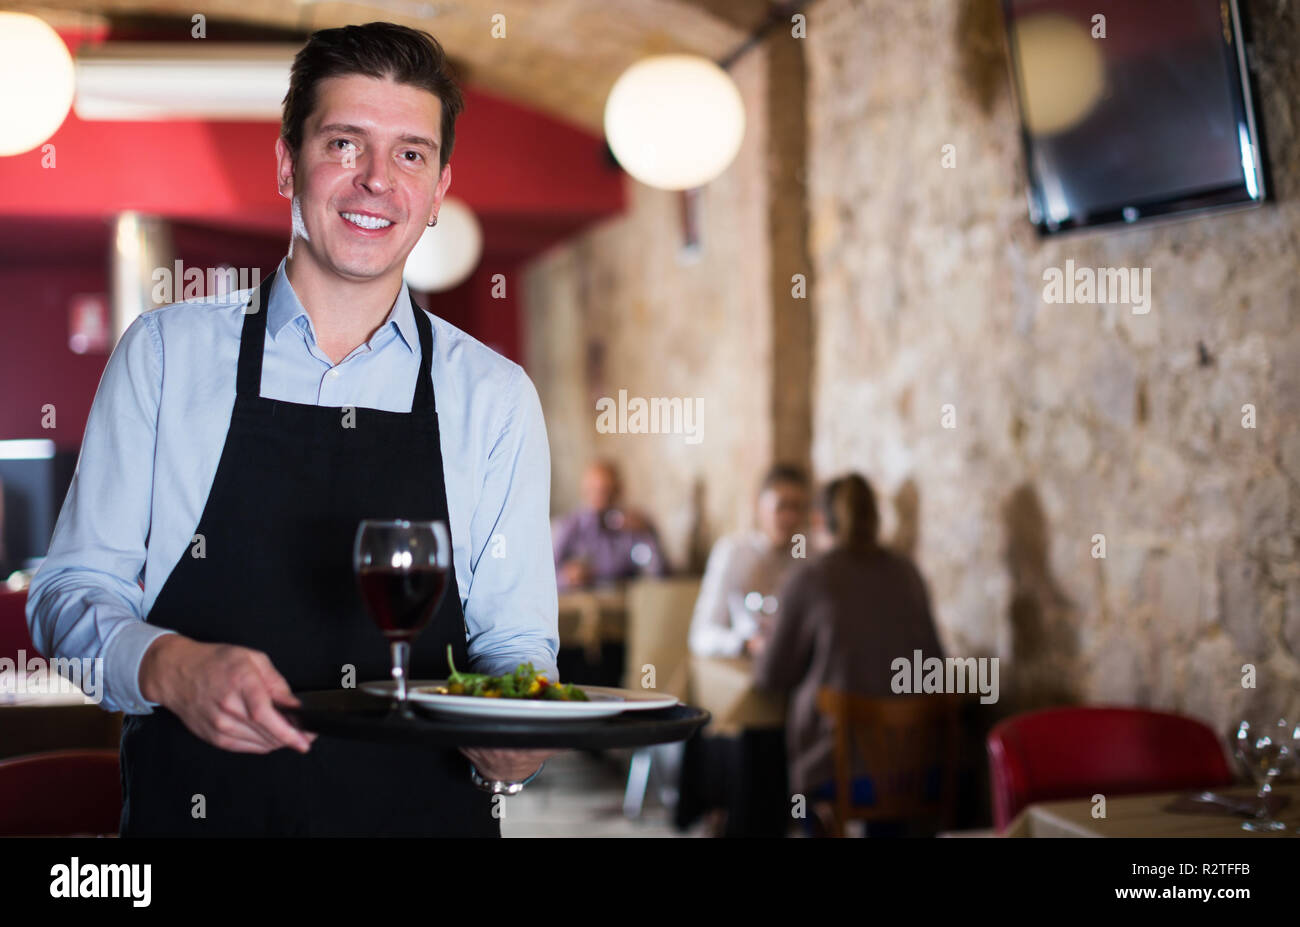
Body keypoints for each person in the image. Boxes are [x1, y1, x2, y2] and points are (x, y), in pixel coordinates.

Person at [26, 22, 557, 837]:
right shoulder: (165, 357)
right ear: (287, 162)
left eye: (410, 154)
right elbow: (66, 597)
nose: (377, 180)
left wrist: (517, 734)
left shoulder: (494, 395)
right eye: (345, 143)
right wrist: (167, 664)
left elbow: (516, 644)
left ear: (441, 187)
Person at [751, 473, 944, 834]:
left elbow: (770, 676)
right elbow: (936, 664)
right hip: (921, 770)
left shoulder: (810, 577)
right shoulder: (908, 572)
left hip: (842, 773)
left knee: (765, 762)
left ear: (820, 520)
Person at [688, 464, 810, 658]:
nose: (790, 517)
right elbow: (701, 635)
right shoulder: (733, 552)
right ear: (758, 505)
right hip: (744, 663)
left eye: (797, 508)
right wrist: (746, 644)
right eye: (782, 506)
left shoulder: (808, 557)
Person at [552, 459, 668, 590]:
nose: (602, 498)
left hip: (621, 604)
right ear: (584, 492)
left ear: (618, 492)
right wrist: (567, 578)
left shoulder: (631, 527)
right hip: (582, 604)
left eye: (607, 491)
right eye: (595, 490)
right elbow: (544, 576)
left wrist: (648, 532)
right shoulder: (570, 527)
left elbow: (658, 573)